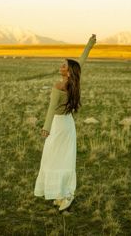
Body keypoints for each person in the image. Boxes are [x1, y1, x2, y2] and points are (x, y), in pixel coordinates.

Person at [34, 34, 96, 211]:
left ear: (68, 72)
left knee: (53, 159)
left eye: (64, 65)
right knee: (66, 160)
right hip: (68, 126)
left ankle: (65, 194)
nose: (60, 67)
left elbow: (51, 109)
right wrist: (89, 46)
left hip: (57, 126)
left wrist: (46, 128)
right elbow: (80, 63)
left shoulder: (58, 86)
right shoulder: (73, 83)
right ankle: (63, 194)